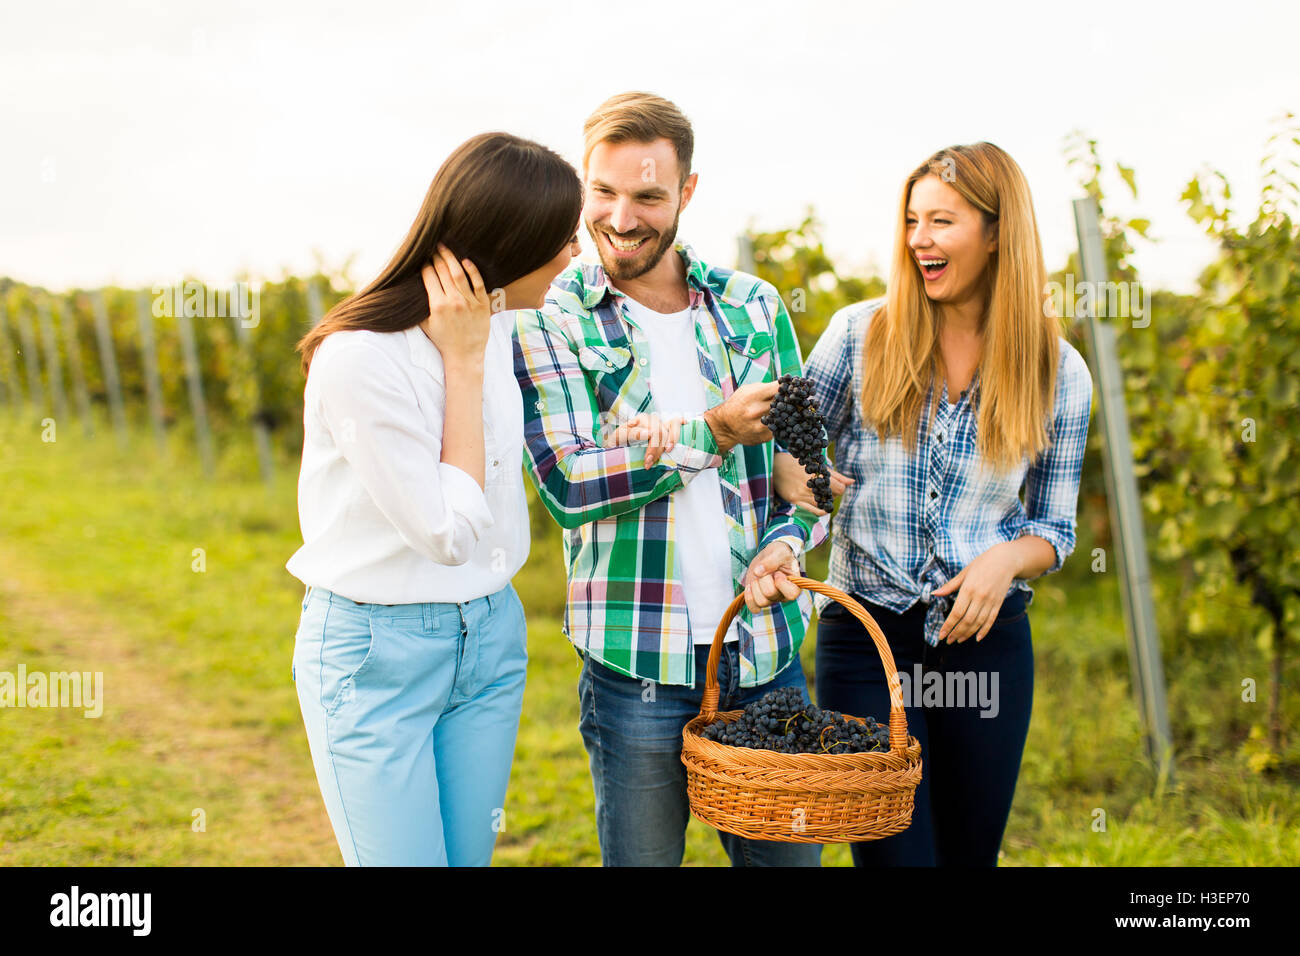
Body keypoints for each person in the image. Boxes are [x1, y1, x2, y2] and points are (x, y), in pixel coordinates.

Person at [512, 91, 830, 867]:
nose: (622, 219)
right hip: (633, 667)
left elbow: (809, 476)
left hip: (764, 655)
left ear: (687, 192)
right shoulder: (550, 318)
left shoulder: (754, 308)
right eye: (605, 193)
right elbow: (569, 482)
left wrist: (788, 544)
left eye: (649, 196)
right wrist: (715, 430)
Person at [772, 142, 1093, 866]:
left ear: (997, 230)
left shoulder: (1056, 370)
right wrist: (796, 475)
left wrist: (1008, 559)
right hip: (866, 642)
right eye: (913, 220)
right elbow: (795, 452)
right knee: (894, 855)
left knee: (967, 855)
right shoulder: (861, 335)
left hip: (984, 645)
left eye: (942, 221)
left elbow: (1055, 529)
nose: (920, 239)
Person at [285, 132, 583, 866]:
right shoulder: (359, 359)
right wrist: (464, 362)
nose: (575, 254)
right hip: (375, 655)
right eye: (561, 238)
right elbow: (448, 531)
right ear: (509, 245)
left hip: (487, 640)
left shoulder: (500, 321)